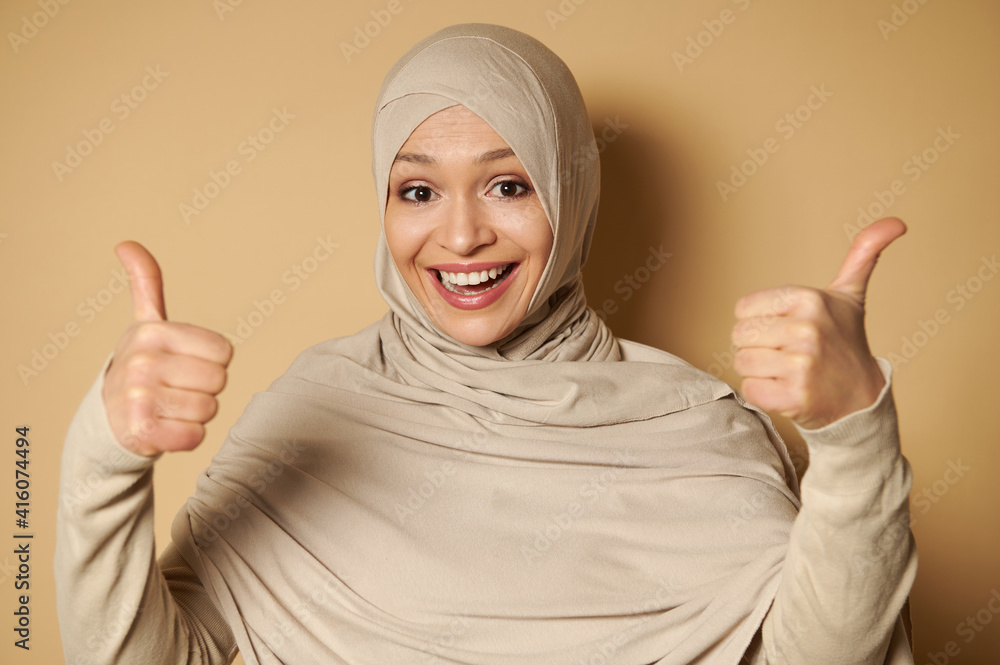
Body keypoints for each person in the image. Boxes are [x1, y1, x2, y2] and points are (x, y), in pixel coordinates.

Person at [55, 23, 916, 664]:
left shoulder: (701, 427)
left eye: (509, 184)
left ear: (572, 194)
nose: (461, 236)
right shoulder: (313, 408)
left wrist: (854, 435)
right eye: (418, 189)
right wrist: (103, 460)